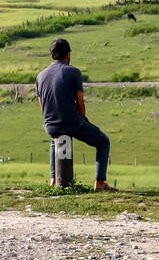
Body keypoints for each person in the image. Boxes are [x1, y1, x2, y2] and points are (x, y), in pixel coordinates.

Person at [35, 37, 114, 191]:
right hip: (72, 123)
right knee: (103, 142)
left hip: (51, 125)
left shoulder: (40, 76)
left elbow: (43, 106)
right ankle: (100, 183)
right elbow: (80, 103)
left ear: (51, 55)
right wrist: (83, 119)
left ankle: (53, 180)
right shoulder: (73, 72)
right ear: (68, 55)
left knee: (55, 139)